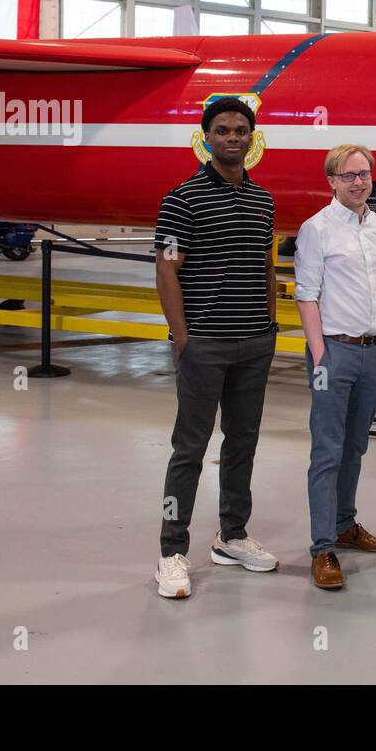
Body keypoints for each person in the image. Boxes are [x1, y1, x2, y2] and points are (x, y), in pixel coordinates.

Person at [152, 96, 280, 600]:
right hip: (204, 345)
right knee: (189, 449)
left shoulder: (263, 200)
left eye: (240, 129)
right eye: (222, 129)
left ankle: (232, 536)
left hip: (253, 343)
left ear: (252, 139)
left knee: (242, 442)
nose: (232, 136)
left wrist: (268, 326)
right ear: (206, 138)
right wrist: (183, 339)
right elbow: (166, 268)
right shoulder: (181, 199)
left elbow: (265, 267)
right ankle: (170, 551)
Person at [294, 144, 376, 590]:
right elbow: (306, 293)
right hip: (332, 353)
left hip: (373, 352)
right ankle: (322, 548)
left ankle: (345, 524)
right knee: (327, 452)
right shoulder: (316, 229)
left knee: (355, 447)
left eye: (365, 173)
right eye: (349, 175)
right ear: (332, 182)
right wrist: (319, 354)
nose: (359, 181)